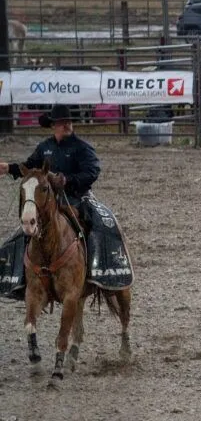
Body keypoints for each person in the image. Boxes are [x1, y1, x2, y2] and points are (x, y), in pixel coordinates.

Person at [0, 104, 133, 300]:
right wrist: (8, 168)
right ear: (53, 125)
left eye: (68, 121)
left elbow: (92, 171)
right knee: (24, 231)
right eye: (62, 122)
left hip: (78, 197)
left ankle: (99, 270)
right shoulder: (44, 147)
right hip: (48, 200)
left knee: (99, 224)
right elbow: (30, 167)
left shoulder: (82, 147)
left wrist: (68, 180)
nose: (67, 125)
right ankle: (21, 279)